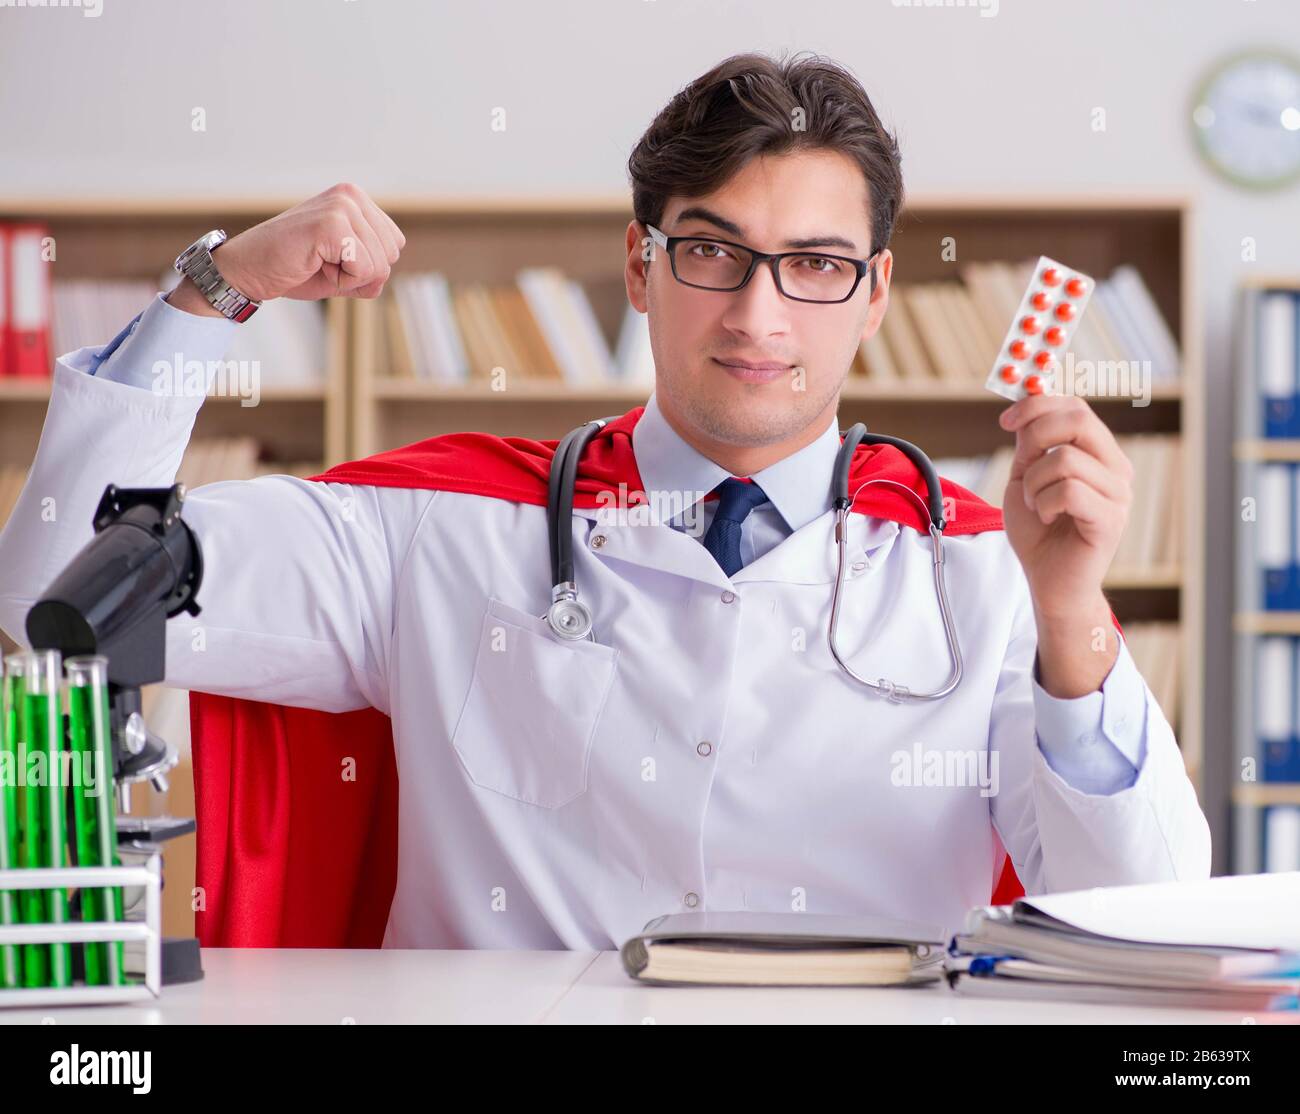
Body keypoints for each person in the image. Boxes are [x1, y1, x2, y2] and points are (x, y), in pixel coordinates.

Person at [0, 52, 1209, 951]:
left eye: (816, 265)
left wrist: (1071, 624)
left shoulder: (986, 568)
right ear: (641, 265)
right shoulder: (435, 524)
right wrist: (214, 290)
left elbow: (1143, 911)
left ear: (877, 291)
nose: (758, 313)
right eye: (711, 251)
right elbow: (50, 601)